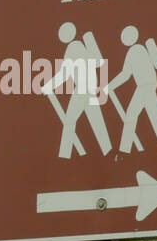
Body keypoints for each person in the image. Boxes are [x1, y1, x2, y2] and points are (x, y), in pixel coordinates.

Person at [42, 21, 112, 158]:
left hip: (82, 90)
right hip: (90, 89)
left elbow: (65, 72)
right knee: (97, 122)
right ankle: (108, 151)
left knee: (69, 121)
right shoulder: (81, 46)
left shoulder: (73, 48)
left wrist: (49, 86)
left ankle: (64, 156)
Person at [104, 25, 157, 153]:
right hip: (148, 86)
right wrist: (109, 87)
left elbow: (125, 74)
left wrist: (108, 87)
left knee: (132, 116)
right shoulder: (140, 49)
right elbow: (126, 74)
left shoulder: (134, 51)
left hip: (144, 87)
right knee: (154, 117)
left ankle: (124, 151)